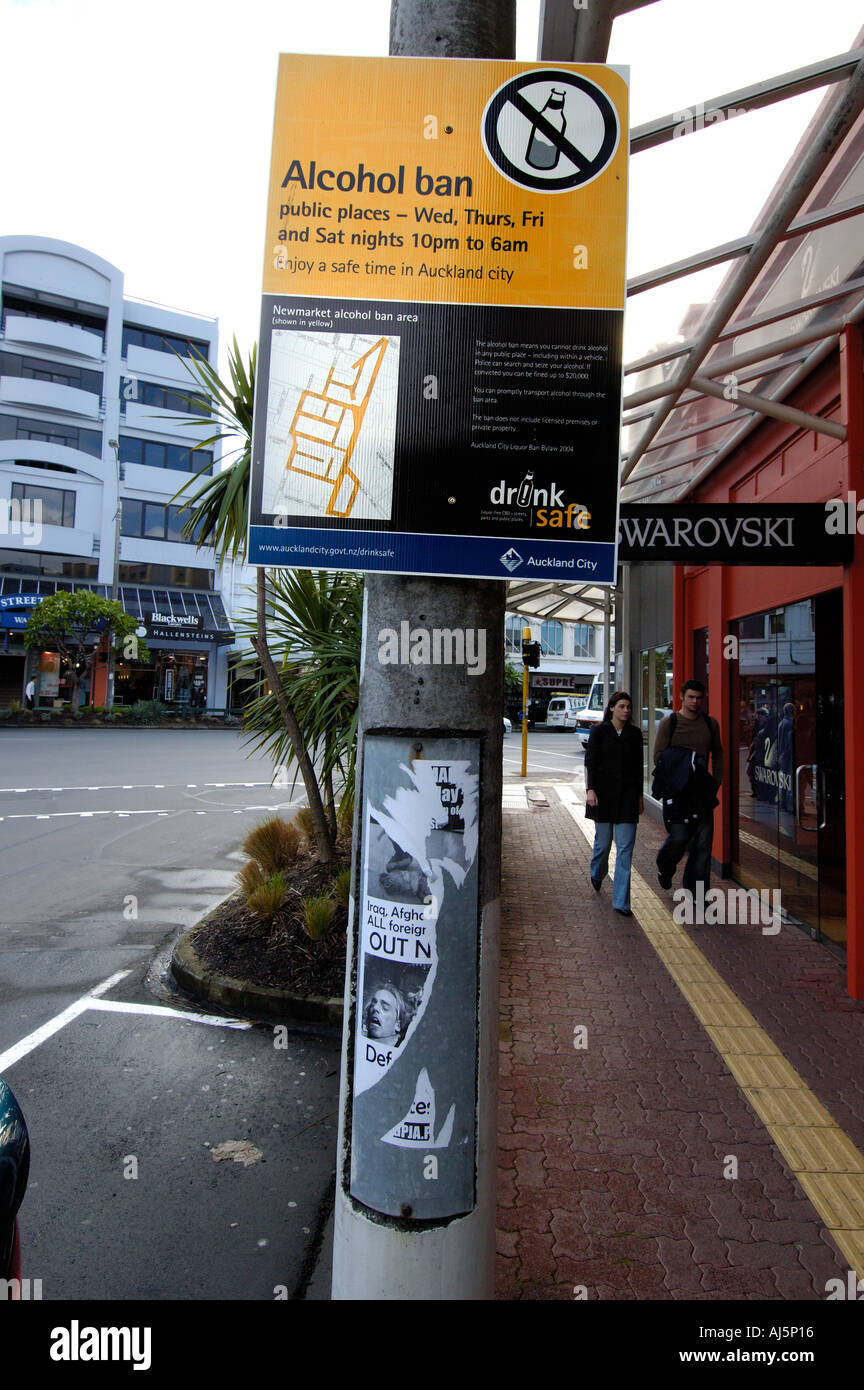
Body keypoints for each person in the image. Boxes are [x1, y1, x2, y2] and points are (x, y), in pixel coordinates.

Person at [653, 679, 723, 896]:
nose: (695, 701)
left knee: (702, 844)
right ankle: (665, 866)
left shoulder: (710, 724)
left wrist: (715, 782)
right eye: (691, 697)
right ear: (682, 697)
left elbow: (718, 754)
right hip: (677, 792)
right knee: (679, 838)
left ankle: (697, 894)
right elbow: (658, 757)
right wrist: (682, 767)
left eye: (699, 697)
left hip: (701, 793)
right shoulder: (669, 723)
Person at [584, 690, 644, 917]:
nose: (626, 710)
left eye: (629, 707)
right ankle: (597, 873)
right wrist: (590, 789)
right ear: (611, 708)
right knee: (603, 844)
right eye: (622, 706)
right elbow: (590, 761)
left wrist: (639, 797)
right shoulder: (599, 732)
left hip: (628, 796)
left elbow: (638, 768)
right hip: (602, 795)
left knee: (625, 849)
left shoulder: (635, 734)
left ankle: (622, 902)